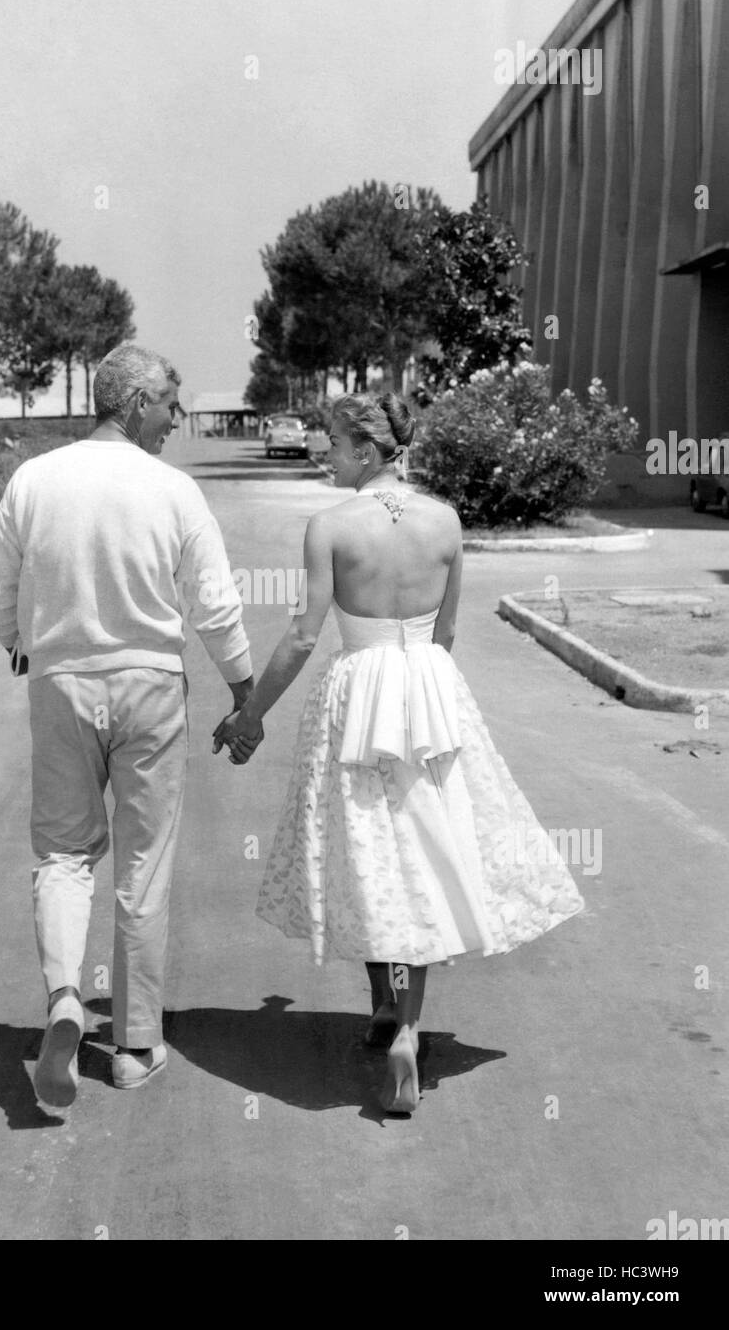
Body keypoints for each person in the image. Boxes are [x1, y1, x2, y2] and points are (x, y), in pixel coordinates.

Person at [214, 392, 585, 1115]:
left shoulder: (329, 526)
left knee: (369, 849)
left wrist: (248, 715)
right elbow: (445, 629)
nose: (324, 454)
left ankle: (383, 1005)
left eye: (332, 443)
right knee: (426, 845)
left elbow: (299, 637)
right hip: (427, 689)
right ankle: (406, 1027)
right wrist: (423, 680)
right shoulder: (443, 520)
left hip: (358, 693)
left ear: (365, 449)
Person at [0, 343, 252, 1107]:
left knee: (63, 854)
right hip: (149, 685)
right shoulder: (172, 490)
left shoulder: (35, 479)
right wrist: (243, 690)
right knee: (142, 866)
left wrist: (19, 646)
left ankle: (65, 995)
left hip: (61, 684)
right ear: (132, 402)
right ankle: (133, 1046)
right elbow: (214, 605)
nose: (176, 415)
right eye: (168, 400)